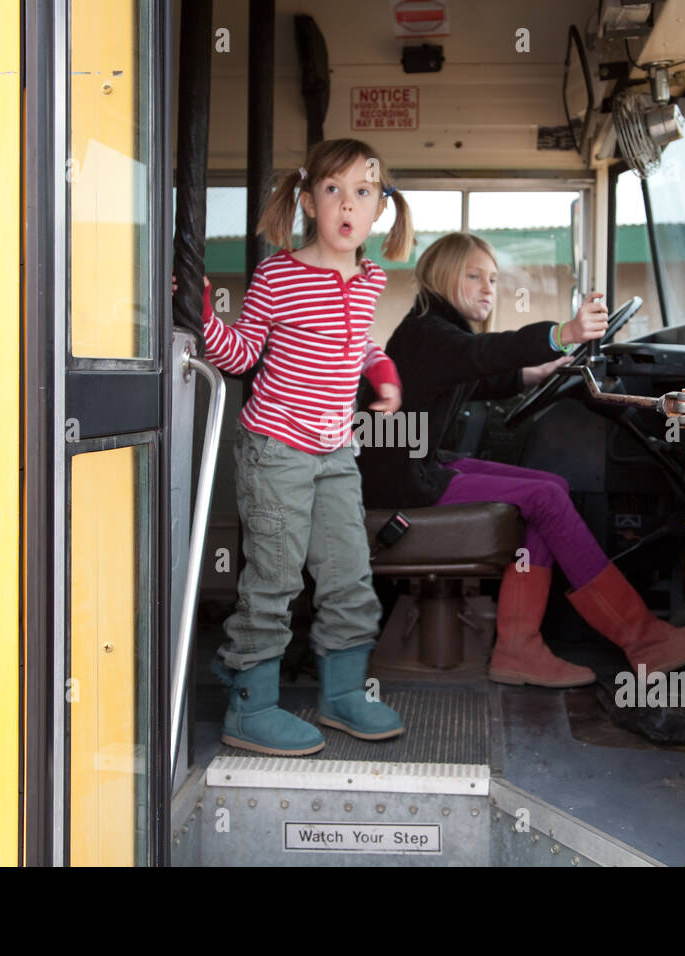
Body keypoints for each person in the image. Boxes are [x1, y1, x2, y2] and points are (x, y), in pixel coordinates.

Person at [357, 232, 685, 687]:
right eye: (472, 275)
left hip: (411, 469)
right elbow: (486, 354)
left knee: (549, 490)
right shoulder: (430, 335)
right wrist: (562, 333)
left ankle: (519, 647)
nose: (487, 287)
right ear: (440, 276)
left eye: (492, 278)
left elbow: (491, 376)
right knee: (546, 495)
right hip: (399, 483)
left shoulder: (436, 335)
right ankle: (641, 639)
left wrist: (552, 365)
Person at [187, 138, 415, 755]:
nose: (348, 204)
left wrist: (384, 374)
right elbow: (241, 355)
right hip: (276, 448)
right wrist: (206, 316)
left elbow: (358, 344)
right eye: (334, 189)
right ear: (310, 201)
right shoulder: (279, 273)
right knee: (275, 577)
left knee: (348, 574)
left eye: (362, 192)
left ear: (379, 209)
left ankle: (342, 696)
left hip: (336, 452)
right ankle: (250, 705)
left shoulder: (370, 278)